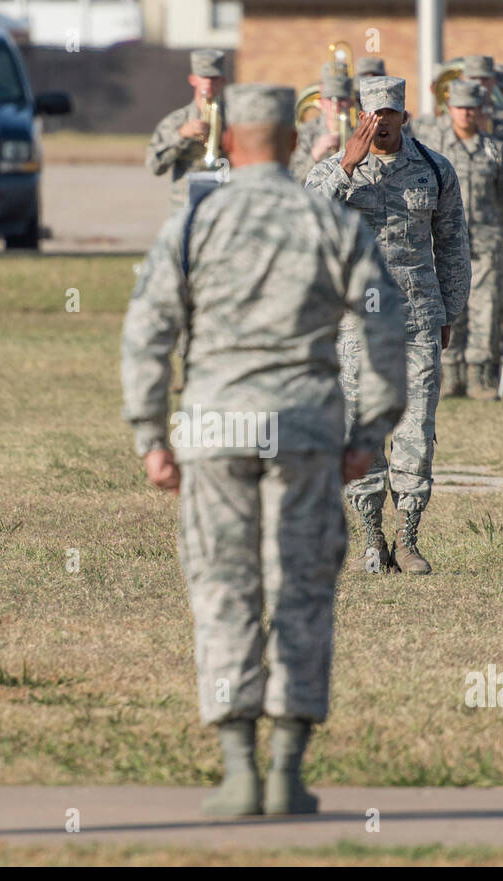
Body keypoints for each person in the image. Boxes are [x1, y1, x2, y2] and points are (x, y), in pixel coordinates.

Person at [121, 84, 407, 816]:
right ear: (287, 144)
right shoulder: (328, 219)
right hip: (306, 427)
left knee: (224, 586)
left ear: (234, 144)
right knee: (302, 589)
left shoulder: (195, 223)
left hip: (214, 430)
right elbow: (382, 323)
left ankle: (237, 768)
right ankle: (287, 769)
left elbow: (148, 334)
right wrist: (370, 433)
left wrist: (151, 437)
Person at [306, 76, 470, 575]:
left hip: (418, 318)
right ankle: (371, 540)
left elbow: (454, 244)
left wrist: (450, 309)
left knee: (416, 428)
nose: (380, 125)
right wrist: (346, 165)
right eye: (371, 116)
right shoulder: (333, 171)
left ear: (404, 115)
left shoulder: (435, 170)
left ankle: (409, 538)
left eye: (389, 115)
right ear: (361, 116)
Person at [416, 79, 503, 399]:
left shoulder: (497, 150)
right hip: (444, 241)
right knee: (451, 305)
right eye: (460, 107)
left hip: (486, 241)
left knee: (486, 308)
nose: (467, 113)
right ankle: (450, 375)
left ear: (481, 111)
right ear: (449, 109)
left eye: (472, 108)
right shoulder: (431, 147)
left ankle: (480, 377)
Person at [146, 49, 227, 211]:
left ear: (222, 81)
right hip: (184, 207)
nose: (209, 83)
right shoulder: (176, 121)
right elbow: (155, 166)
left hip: (225, 206)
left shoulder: (235, 119)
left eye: (214, 78)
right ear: (192, 79)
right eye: (204, 77)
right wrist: (182, 135)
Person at [290, 63, 353, 186]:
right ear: (321, 101)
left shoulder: (361, 132)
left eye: (342, 99)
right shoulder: (306, 131)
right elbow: (293, 179)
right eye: (330, 99)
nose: (336, 106)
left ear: (351, 101)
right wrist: (315, 154)